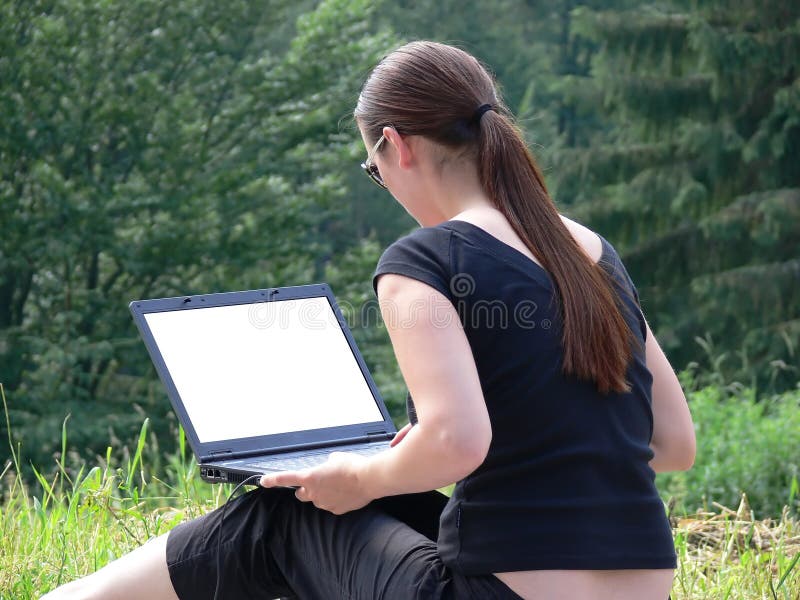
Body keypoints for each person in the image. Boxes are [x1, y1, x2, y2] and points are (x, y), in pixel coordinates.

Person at [42, 40, 696, 600]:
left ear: (394, 145)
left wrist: (353, 475)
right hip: (640, 587)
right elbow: (673, 442)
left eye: (373, 168)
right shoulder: (589, 249)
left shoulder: (425, 257)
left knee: (287, 513)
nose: (382, 179)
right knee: (378, 495)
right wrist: (392, 469)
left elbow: (459, 444)